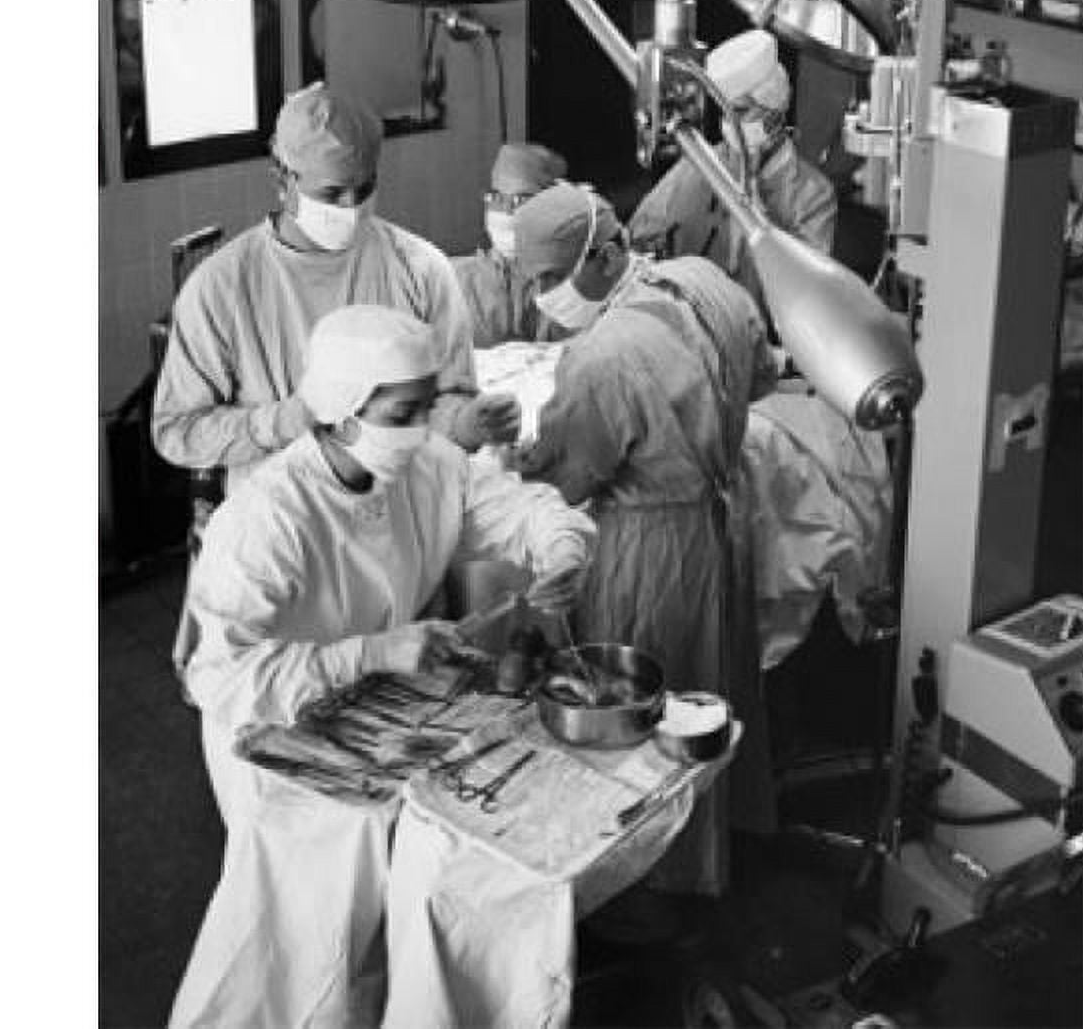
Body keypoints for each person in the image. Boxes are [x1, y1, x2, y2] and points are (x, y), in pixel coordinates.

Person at [170, 304, 594, 1027]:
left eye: (427, 408)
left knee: (390, 917)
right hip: (274, 740)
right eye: (402, 412)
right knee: (300, 943)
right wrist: (366, 653)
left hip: (377, 713)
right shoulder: (268, 515)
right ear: (338, 411)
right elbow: (220, 678)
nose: (420, 428)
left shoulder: (427, 466)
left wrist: (560, 546)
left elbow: (517, 509)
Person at [152, 82, 521, 667]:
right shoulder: (224, 289)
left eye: (363, 190)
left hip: (396, 540)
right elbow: (178, 431)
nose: (349, 208)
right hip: (280, 548)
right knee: (288, 699)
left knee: (400, 710)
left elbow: (441, 400)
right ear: (282, 176)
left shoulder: (419, 270)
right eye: (331, 192)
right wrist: (288, 418)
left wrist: (465, 418)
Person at [511, 181, 778, 897]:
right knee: (708, 688)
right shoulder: (704, 280)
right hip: (720, 520)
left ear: (602, 254)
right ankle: (714, 851)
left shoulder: (602, 356)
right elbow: (764, 374)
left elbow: (564, 477)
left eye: (547, 277)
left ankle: (650, 888)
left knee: (637, 724)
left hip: (647, 548)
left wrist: (512, 446)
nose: (540, 295)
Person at [628, 28, 838, 315]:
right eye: (724, 112)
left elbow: (808, 297)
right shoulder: (702, 162)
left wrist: (755, 208)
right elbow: (641, 233)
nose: (729, 124)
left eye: (739, 112)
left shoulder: (812, 194)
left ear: (773, 114)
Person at [451, 141, 568, 347]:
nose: (504, 212)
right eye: (496, 198)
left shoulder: (577, 284)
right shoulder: (460, 281)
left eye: (520, 200)